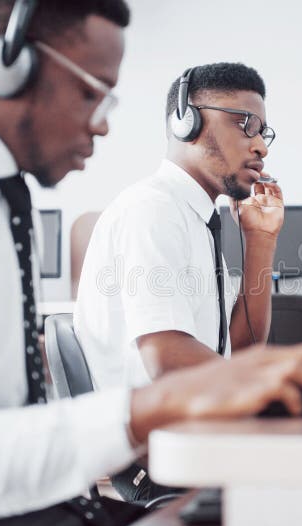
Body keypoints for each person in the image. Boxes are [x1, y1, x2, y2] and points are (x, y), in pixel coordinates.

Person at [0, 1, 302, 526]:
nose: (105, 125)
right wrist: (174, 398)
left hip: (26, 492)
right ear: (8, 68)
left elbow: (236, 349)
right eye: (91, 91)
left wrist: (258, 245)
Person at [75, 62, 282, 393]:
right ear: (187, 123)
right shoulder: (153, 211)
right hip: (156, 437)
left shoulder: (195, 218)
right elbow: (166, 359)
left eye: (263, 132)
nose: (261, 147)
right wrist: (268, 385)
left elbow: (238, 351)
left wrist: (260, 240)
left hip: (193, 422)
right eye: (245, 125)